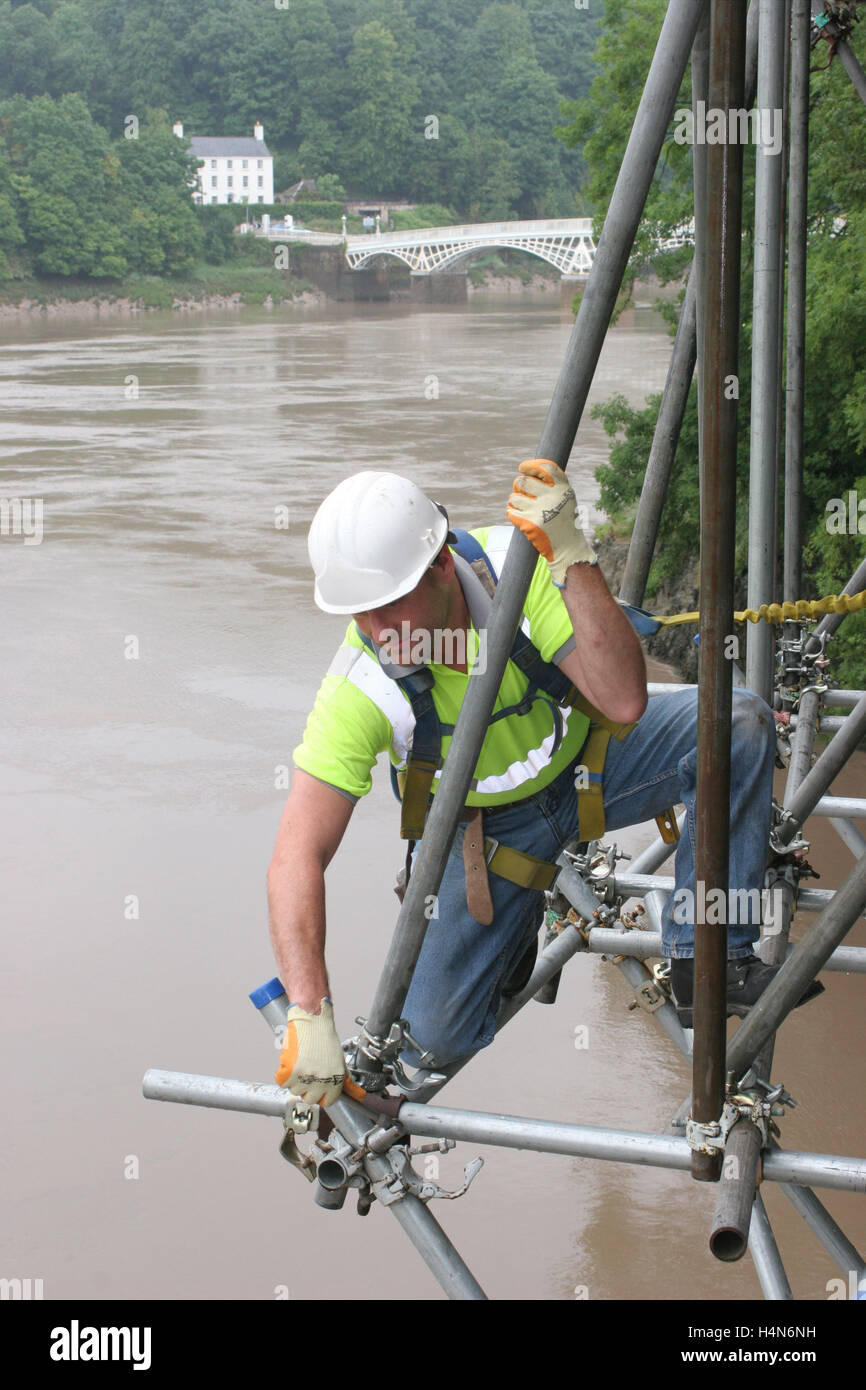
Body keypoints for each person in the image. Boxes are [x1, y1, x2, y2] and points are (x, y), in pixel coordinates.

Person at [268, 463, 821, 1104]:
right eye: (361, 614)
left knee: (737, 724)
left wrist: (572, 556)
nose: (380, 633)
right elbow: (294, 857)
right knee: (431, 1043)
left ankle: (711, 952)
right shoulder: (359, 684)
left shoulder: (518, 569)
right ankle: (509, 943)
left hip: (589, 767)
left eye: (390, 606)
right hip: (485, 837)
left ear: (442, 566)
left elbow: (621, 700)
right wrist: (309, 1012)